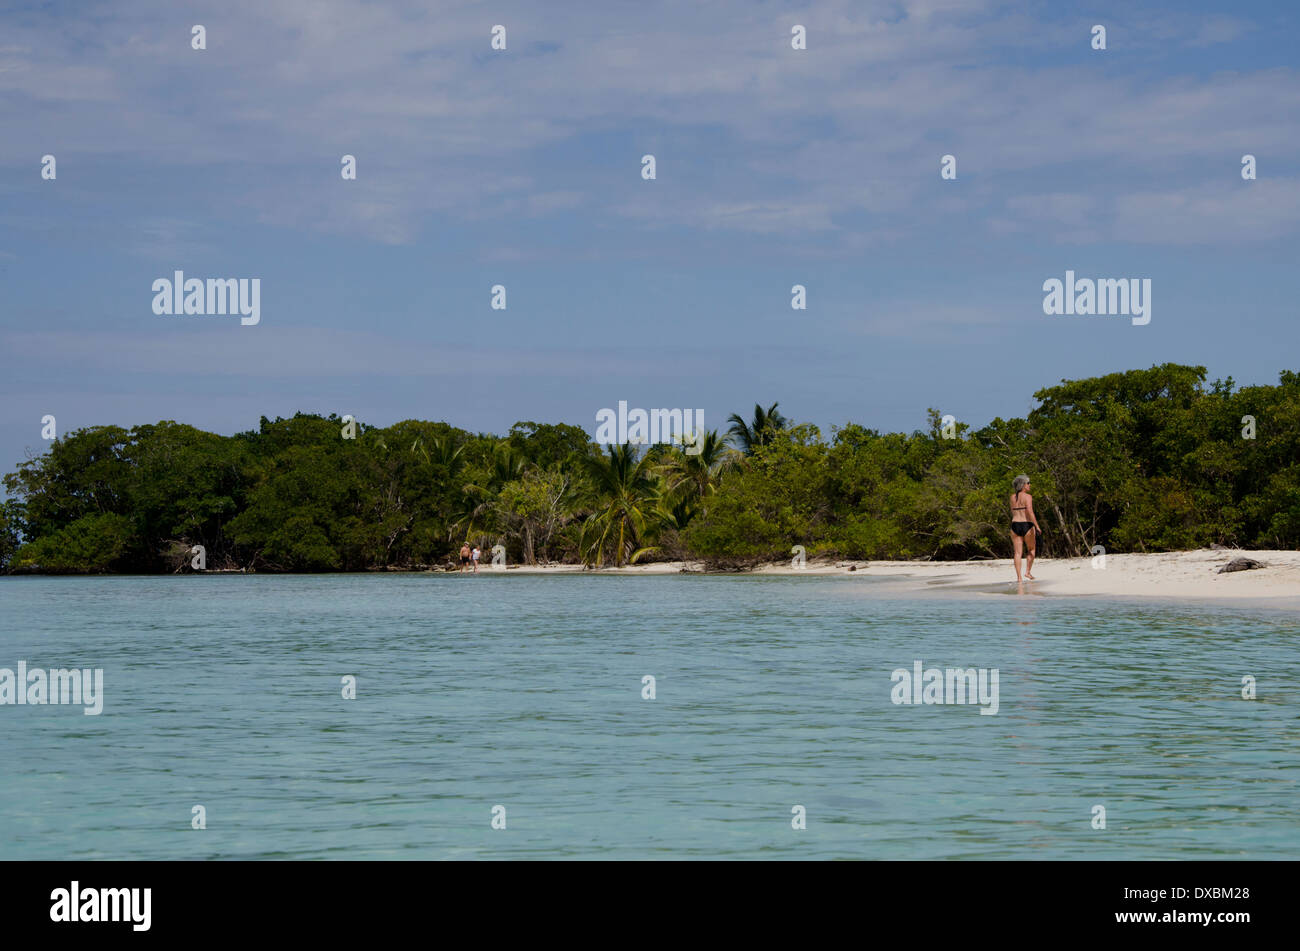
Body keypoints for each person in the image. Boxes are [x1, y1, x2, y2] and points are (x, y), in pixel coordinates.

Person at [1010, 474, 1041, 583]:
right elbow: (1030, 512)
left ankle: (1019, 578)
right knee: (1031, 549)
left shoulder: (1012, 497)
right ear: (1023, 485)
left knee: (1017, 553)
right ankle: (1027, 572)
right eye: (1028, 483)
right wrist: (1037, 526)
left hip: (1014, 525)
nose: (1029, 485)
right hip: (1026, 525)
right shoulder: (1028, 497)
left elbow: (1013, 512)